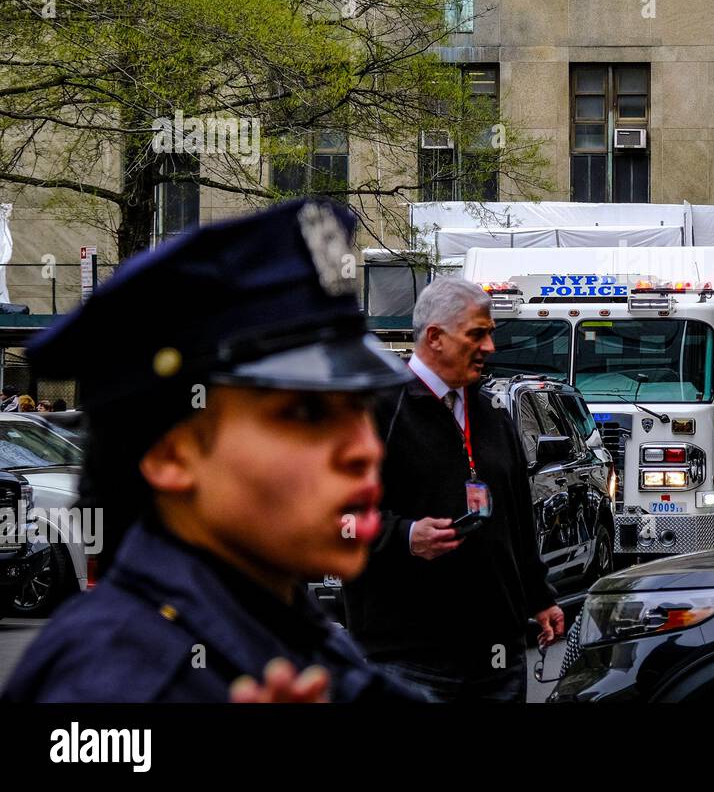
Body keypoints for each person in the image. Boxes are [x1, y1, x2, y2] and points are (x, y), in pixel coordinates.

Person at [2, 199, 424, 703]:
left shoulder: (284, 627)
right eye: (307, 415)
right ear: (170, 456)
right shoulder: (110, 680)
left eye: (365, 410)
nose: (365, 449)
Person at [343, 277, 562, 702]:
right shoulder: (374, 412)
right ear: (435, 338)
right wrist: (406, 537)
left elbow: (517, 522)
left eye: (491, 335)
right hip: (408, 659)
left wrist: (540, 598)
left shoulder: (494, 415)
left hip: (498, 657)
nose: (490, 348)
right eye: (477, 334)